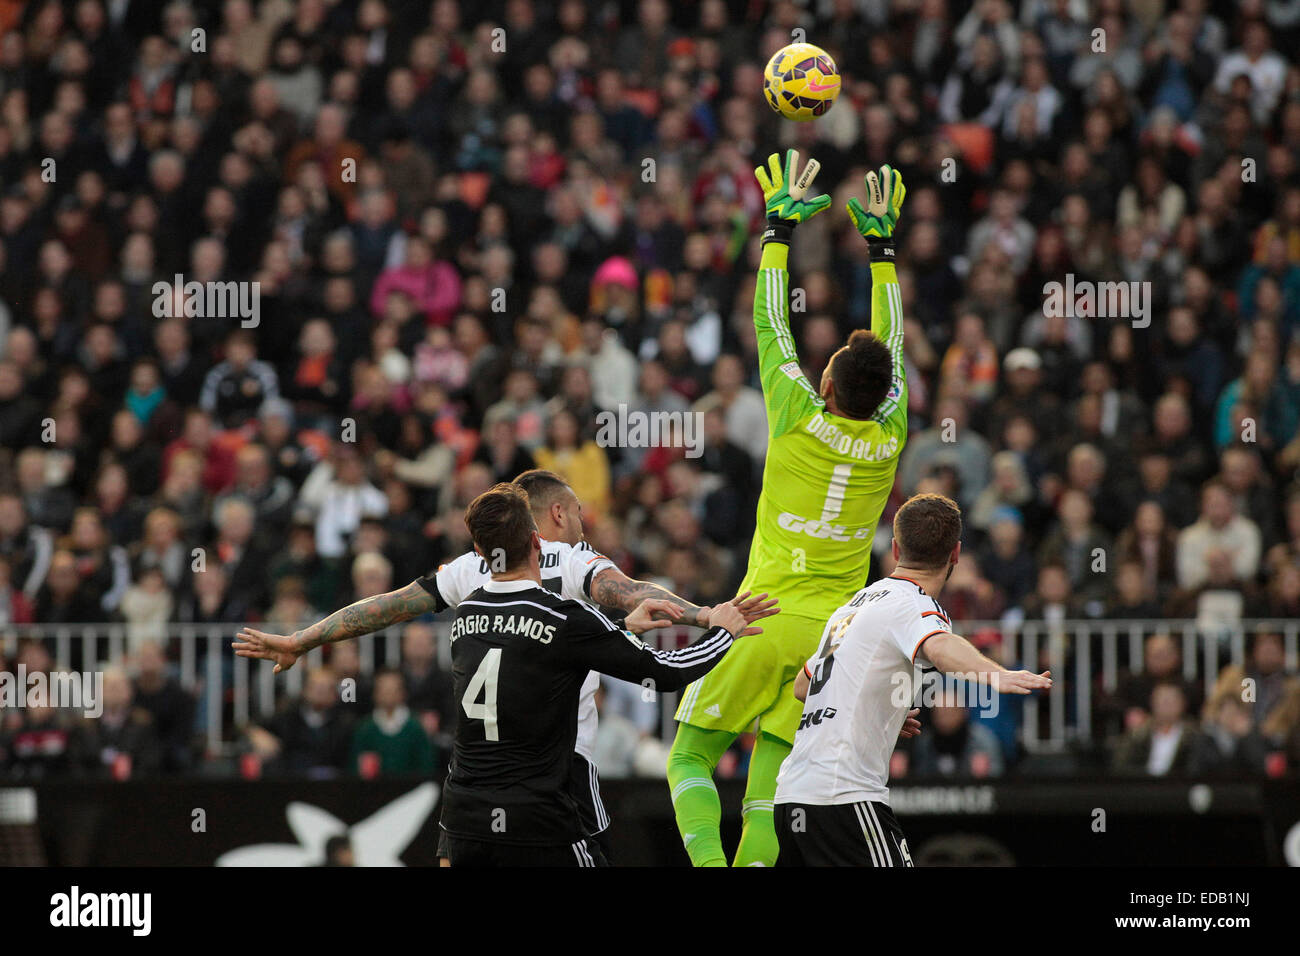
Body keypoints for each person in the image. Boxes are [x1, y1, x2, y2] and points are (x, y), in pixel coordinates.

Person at [234, 469, 776, 857]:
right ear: (552, 519)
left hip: (469, 790)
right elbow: (628, 594)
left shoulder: (469, 577)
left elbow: (386, 608)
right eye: (580, 514)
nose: (584, 525)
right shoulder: (572, 564)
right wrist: (708, 617)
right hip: (558, 769)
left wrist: (303, 640)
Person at [667, 152, 910, 868]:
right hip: (829, 639)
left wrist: (775, 230)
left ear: (827, 379)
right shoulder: (890, 432)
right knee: (770, 785)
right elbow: (891, 346)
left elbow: (769, 323)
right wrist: (882, 251)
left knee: (689, 757)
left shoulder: (796, 411)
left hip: (761, 615)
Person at [437, 482, 749, 866]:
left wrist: (618, 631)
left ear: (481, 551)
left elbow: (531, 657)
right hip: (538, 815)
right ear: (538, 541)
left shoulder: (466, 614)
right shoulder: (564, 618)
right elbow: (667, 672)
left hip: (465, 814)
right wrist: (722, 631)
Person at [774, 494, 1052, 866]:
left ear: (895, 548)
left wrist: (877, 706)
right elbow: (939, 647)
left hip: (793, 795)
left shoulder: (853, 605)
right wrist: (996, 675)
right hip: (844, 796)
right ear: (955, 553)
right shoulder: (914, 603)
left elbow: (803, 687)